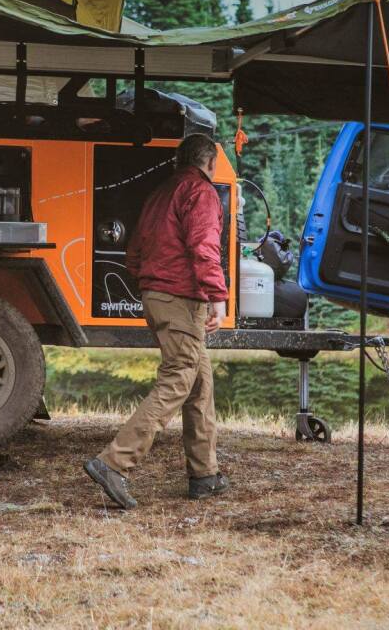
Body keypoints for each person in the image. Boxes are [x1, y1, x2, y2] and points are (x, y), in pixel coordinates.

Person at [85, 133, 230, 508]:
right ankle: (114, 463)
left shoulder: (161, 192)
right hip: (181, 298)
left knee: (199, 382)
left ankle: (205, 476)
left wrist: (149, 283)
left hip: (158, 295)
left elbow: (134, 250)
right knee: (180, 376)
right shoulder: (200, 192)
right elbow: (204, 246)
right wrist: (218, 297)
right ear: (211, 163)